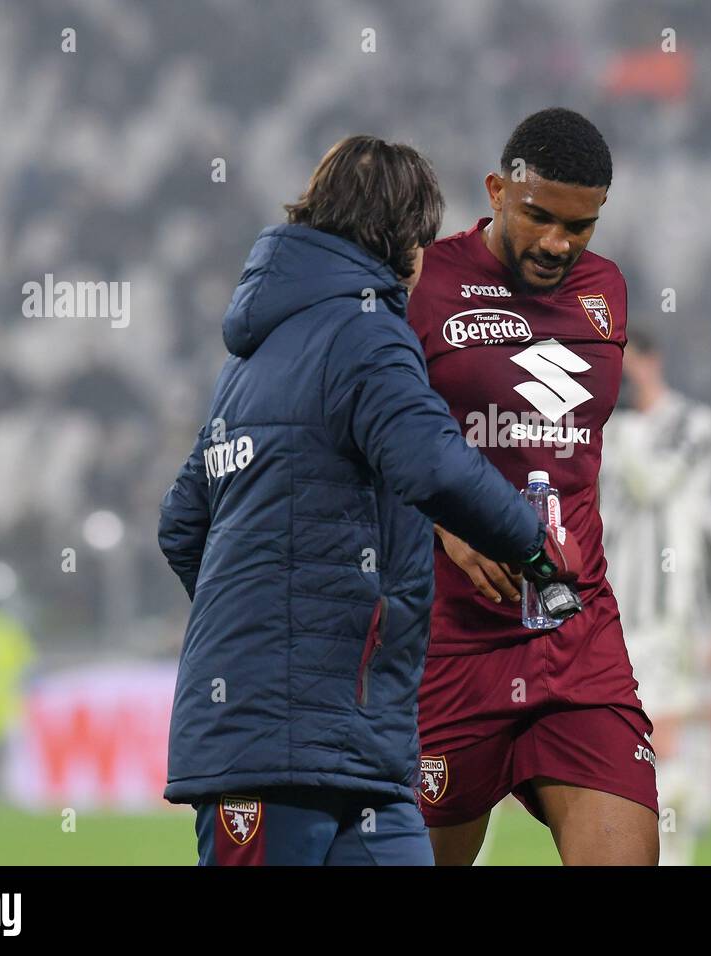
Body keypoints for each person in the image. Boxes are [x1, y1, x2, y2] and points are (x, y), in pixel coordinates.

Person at [157, 135, 581, 866]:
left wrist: (267, 622)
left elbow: (181, 527)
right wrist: (534, 545)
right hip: (280, 747)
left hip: (357, 745)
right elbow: (434, 464)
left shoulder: (250, 360)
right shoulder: (367, 334)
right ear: (404, 239)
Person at [407, 108, 659, 865]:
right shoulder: (423, 280)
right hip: (447, 644)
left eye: (578, 226)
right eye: (538, 217)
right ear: (495, 190)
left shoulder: (606, 290)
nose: (557, 243)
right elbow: (357, 438)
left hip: (574, 639)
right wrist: (440, 520)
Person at [600, 332, 711, 865]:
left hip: (666, 608)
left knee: (663, 733)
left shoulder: (690, 423)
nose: (622, 376)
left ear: (651, 362)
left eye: (628, 364)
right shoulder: (609, 430)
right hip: (611, 607)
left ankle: (674, 855)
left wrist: (626, 427)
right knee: (623, 743)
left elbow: (653, 483)